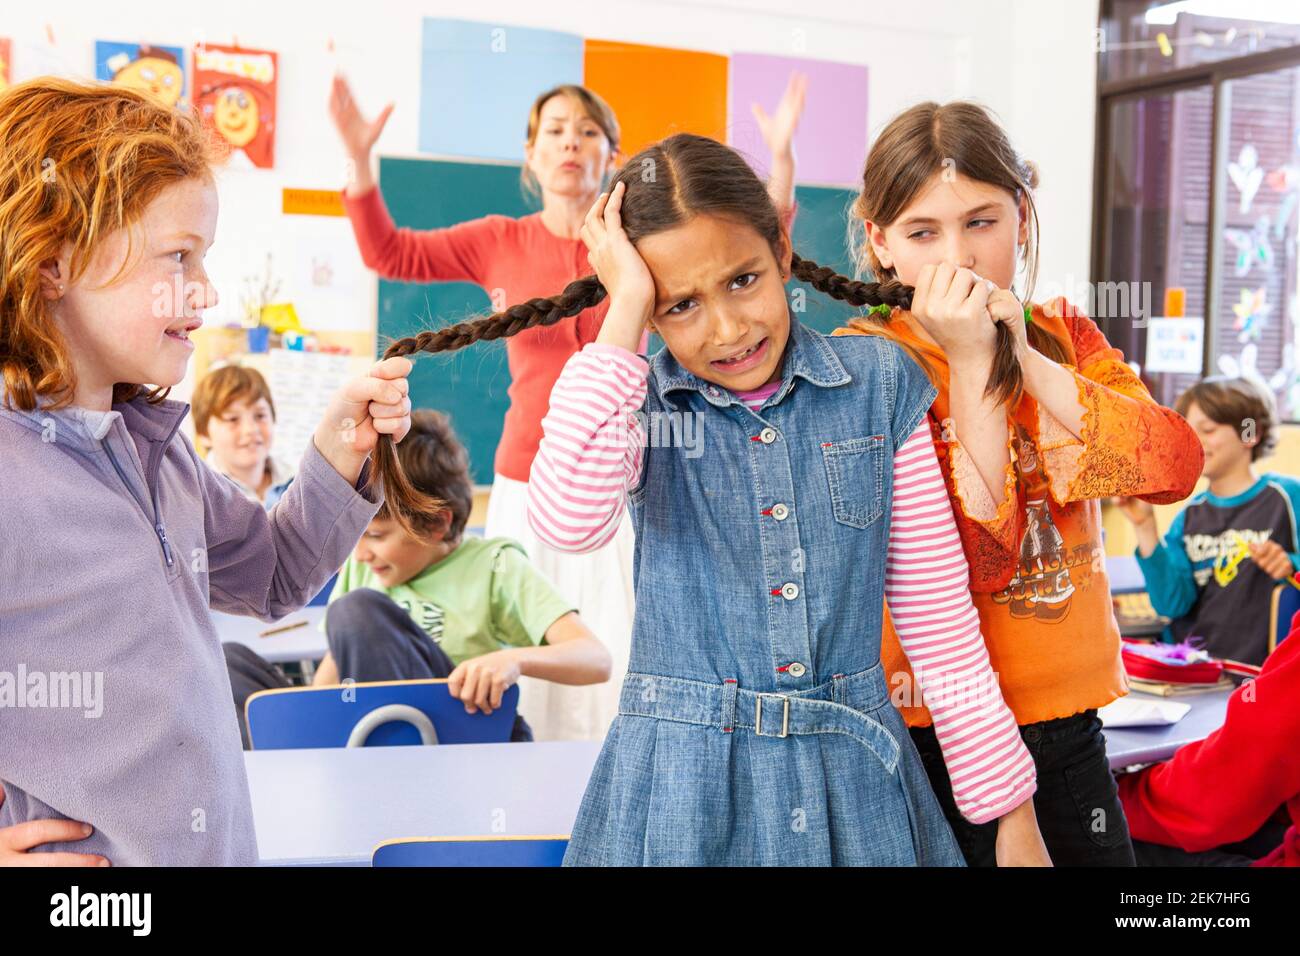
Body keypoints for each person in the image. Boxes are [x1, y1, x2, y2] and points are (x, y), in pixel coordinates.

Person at [0, 78, 413, 865]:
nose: (208, 292)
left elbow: (274, 574)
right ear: (53, 262)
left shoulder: (163, 452)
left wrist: (337, 452)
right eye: (179, 257)